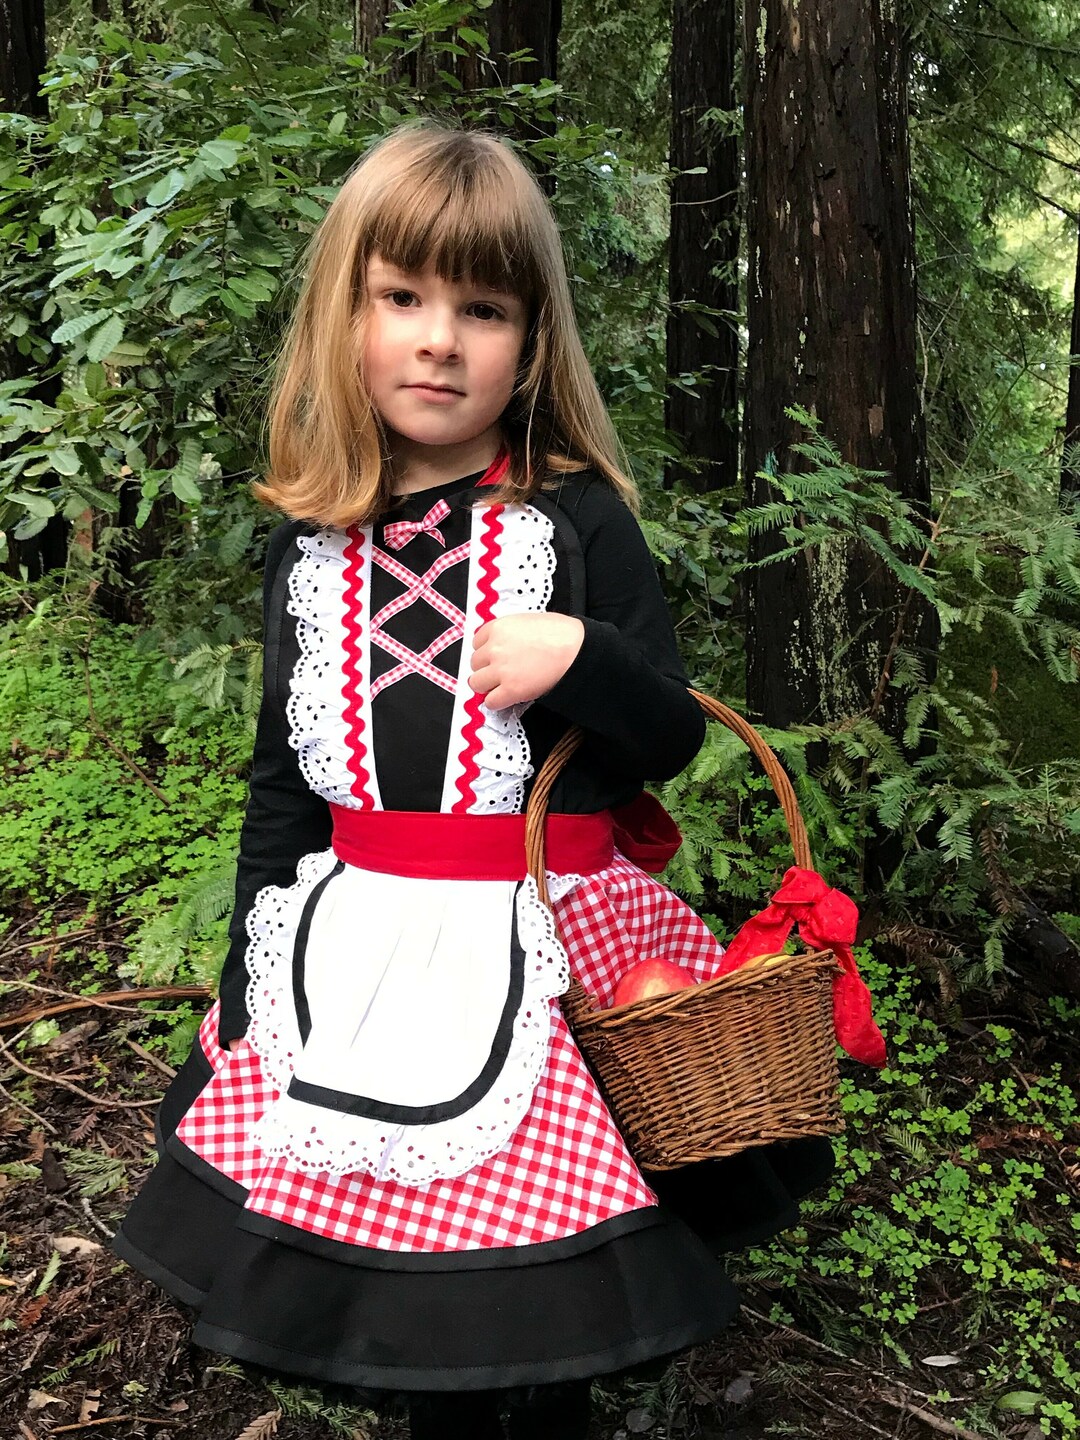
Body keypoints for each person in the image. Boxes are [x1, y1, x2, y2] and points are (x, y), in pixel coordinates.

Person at [111, 123, 835, 1439]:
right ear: (349, 315)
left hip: (538, 941)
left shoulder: (577, 522)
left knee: (538, 1302)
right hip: (367, 945)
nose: (439, 338)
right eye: (403, 298)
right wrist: (246, 977)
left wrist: (584, 658)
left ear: (532, 340)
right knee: (405, 1284)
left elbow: (664, 736)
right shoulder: (311, 547)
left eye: (482, 307)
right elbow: (286, 781)